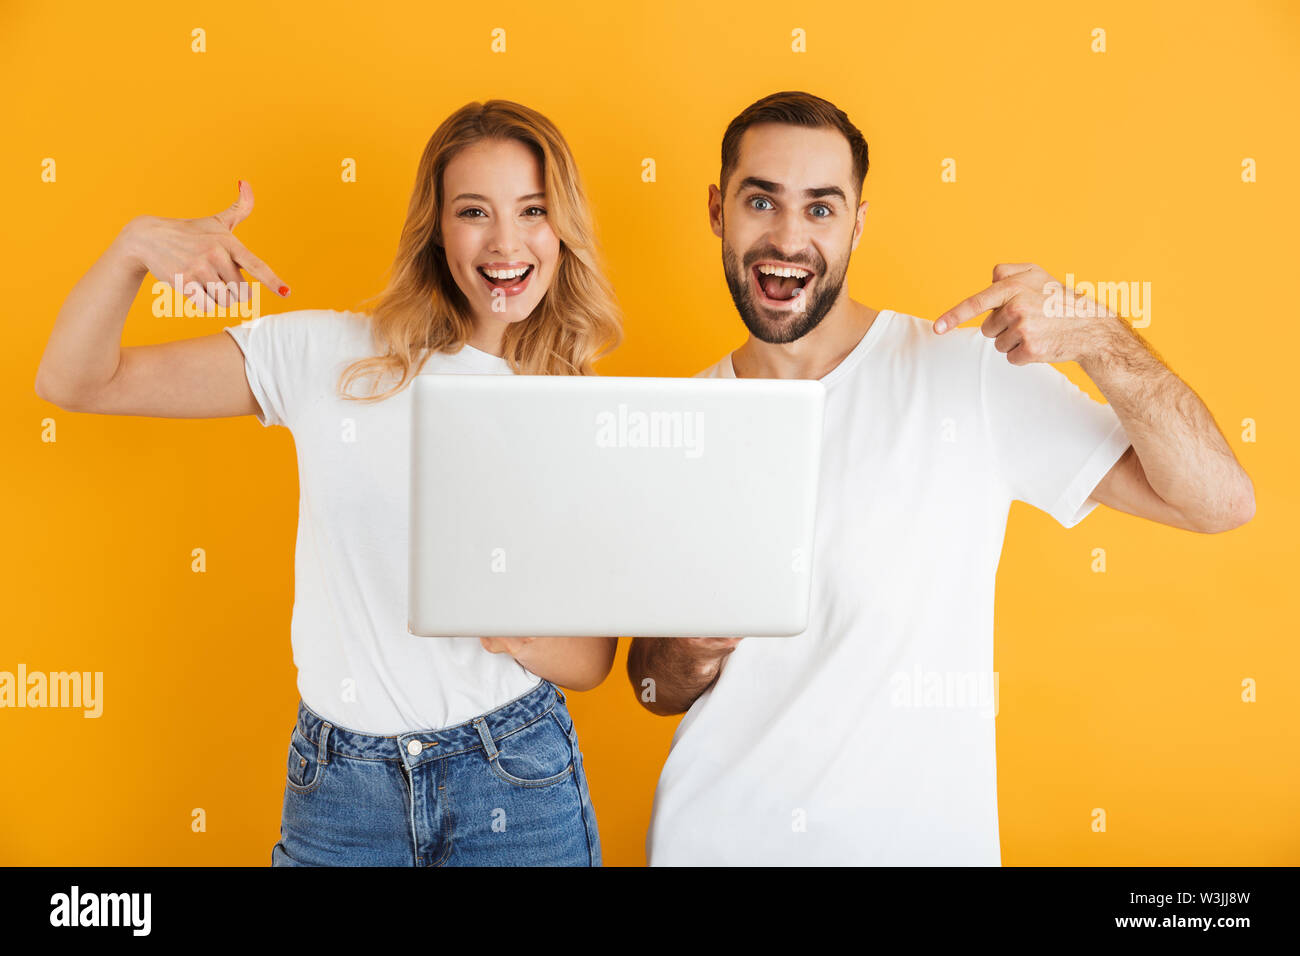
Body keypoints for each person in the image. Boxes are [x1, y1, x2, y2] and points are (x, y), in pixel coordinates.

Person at [627, 90, 1255, 866]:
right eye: (762, 201)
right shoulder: (674, 420)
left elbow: (1220, 501)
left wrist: (1100, 334)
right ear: (719, 210)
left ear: (857, 223)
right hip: (711, 842)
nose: (788, 237)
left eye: (821, 209)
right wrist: (689, 647)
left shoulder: (968, 378)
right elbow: (652, 686)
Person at [35, 100, 621, 867]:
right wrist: (134, 249)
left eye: (533, 210)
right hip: (341, 790)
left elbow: (594, 663)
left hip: (513, 772)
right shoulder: (326, 356)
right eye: (473, 211)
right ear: (437, 230)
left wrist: (508, 625)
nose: (505, 242)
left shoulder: (577, 404)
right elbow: (77, 380)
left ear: (560, 228)